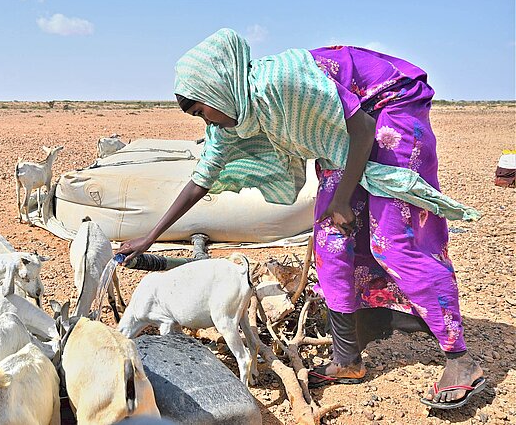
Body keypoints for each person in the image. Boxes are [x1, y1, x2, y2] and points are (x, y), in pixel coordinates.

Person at [116, 28, 485, 409]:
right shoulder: (235, 117)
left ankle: (461, 360)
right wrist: (149, 236)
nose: (205, 122)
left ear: (216, 88)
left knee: (392, 241)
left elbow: (363, 126)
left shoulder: (282, 79)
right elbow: (201, 179)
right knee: (331, 243)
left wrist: (342, 200)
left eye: (200, 111)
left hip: (388, 108)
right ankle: (347, 359)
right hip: (343, 137)